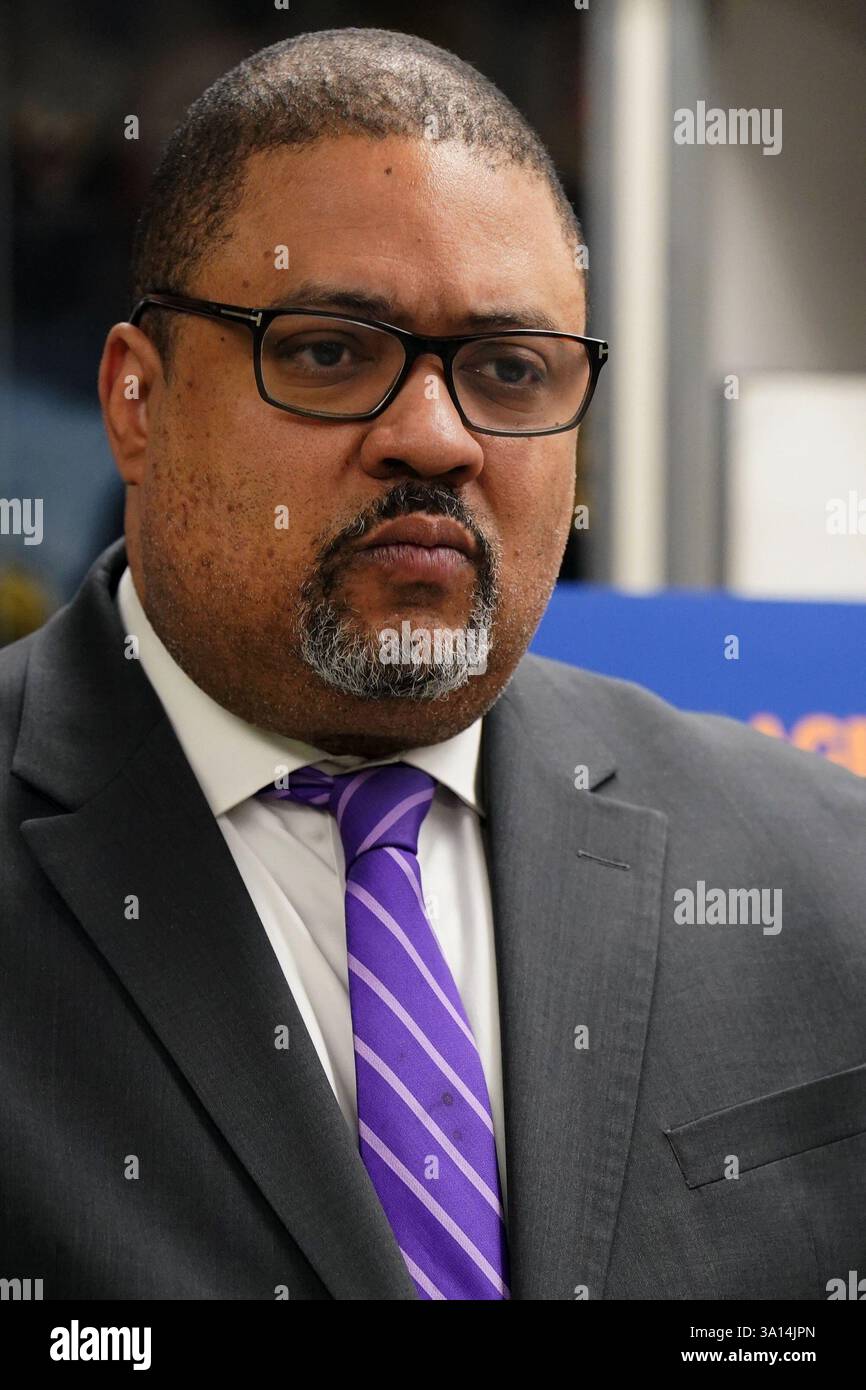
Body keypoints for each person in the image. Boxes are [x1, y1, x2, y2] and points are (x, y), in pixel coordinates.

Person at [2, 27, 864, 1303]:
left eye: (508, 370)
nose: (433, 437)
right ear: (139, 400)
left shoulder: (821, 870)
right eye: (329, 352)